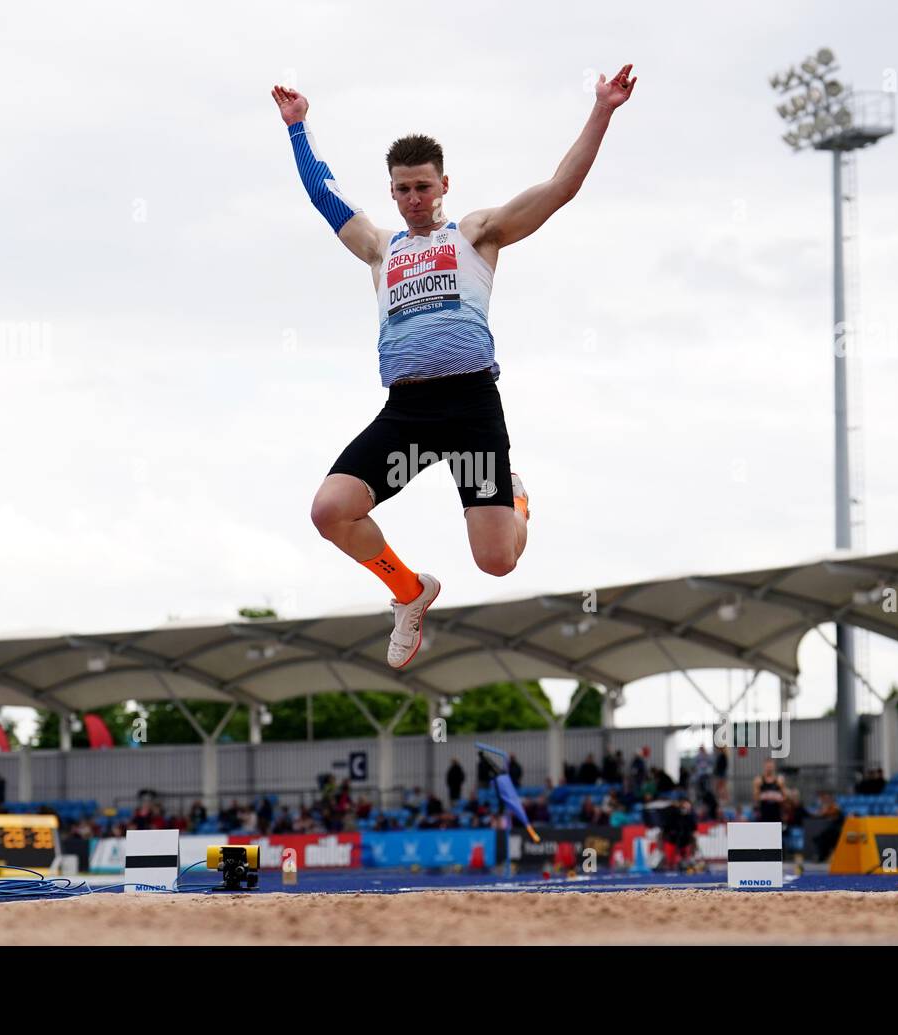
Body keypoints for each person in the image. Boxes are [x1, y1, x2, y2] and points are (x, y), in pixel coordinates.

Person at [273, 65, 638, 670]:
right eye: (403, 190)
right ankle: (409, 592)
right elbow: (323, 194)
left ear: (444, 184)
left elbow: (559, 188)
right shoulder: (379, 248)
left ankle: (514, 502)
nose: (414, 200)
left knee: (497, 561)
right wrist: (297, 127)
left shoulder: (478, 234)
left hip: (470, 409)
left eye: (424, 187)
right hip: (409, 415)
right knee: (329, 510)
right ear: (391, 192)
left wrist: (602, 109)